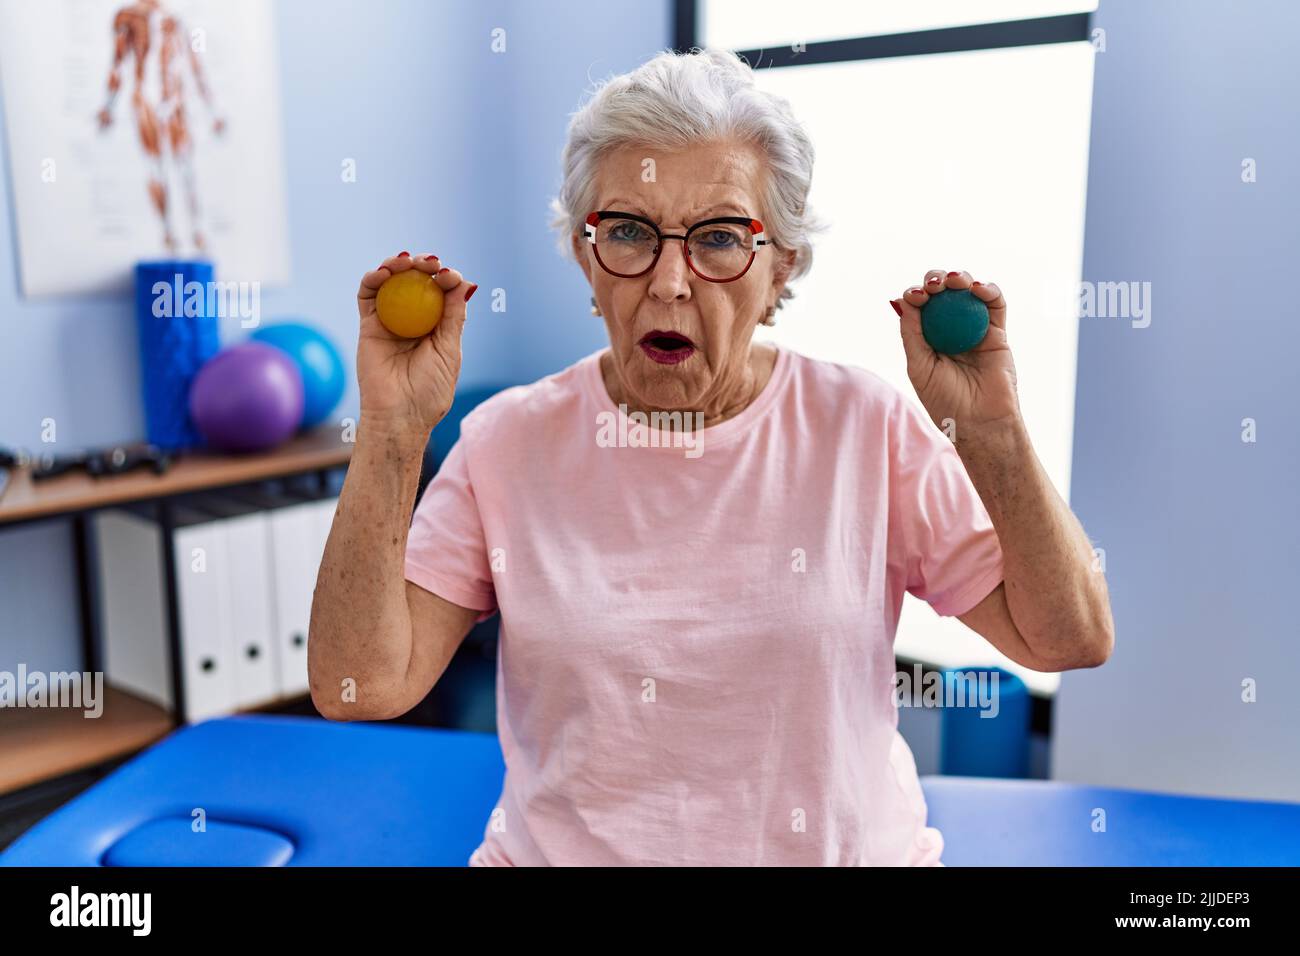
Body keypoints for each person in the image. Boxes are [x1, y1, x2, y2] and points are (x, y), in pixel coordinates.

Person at [309, 47, 1114, 866]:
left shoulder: (863, 427)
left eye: (720, 239)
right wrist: (392, 429)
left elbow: (1069, 639)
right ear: (587, 261)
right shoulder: (505, 441)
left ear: (779, 272)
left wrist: (992, 432)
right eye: (627, 233)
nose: (667, 283)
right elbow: (360, 686)